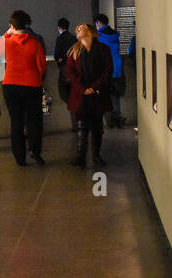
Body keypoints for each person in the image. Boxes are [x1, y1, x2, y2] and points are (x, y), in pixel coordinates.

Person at [0, 9, 47, 166]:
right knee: (34, 121)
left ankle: (19, 157)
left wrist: (7, 33)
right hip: (32, 85)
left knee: (16, 122)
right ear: (27, 24)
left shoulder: (7, 42)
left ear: (12, 25)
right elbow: (42, 66)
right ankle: (35, 152)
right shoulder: (35, 42)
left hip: (10, 85)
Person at [65, 23, 114, 168]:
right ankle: (81, 156)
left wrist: (94, 87)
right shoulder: (74, 51)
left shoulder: (103, 49)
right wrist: (82, 89)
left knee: (97, 126)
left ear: (91, 32)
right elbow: (71, 73)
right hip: (82, 94)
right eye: (78, 29)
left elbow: (108, 70)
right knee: (82, 126)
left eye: (83, 28)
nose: (79, 30)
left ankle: (96, 155)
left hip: (97, 93)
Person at [95, 13, 126, 128]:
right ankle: (117, 117)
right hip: (118, 68)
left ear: (99, 23)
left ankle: (109, 122)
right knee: (115, 94)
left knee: (104, 95)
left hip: (106, 68)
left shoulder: (100, 36)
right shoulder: (115, 35)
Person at [54, 18, 78, 132]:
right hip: (75, 71)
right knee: (75, 95)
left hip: (64, 71)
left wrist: (60, 60)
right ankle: (77, 122)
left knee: (64, 94)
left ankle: (75, 122)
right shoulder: (74, 38)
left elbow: (56, 55)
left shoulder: (60, 39)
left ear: (59, 28)